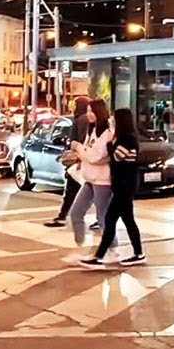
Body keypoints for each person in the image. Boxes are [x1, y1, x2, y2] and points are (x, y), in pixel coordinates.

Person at [80, 108, 145, 268]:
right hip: (122, 186)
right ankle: (138, 253)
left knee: (110, 220)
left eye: (114, 119)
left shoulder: (128, 139)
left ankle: (99, 256)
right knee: (128, 220)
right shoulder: (123, 138)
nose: (112, 121)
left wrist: (109, 143)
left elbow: (116, 157)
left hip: (124, 186)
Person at [68, 99, 114, 253]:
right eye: (87, 111)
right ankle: (80, 247)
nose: (88, 114)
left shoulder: (107, 133)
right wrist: (80, 154)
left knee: (103, 218)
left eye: (92, 111)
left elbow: (96, 157)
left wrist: (78, 148)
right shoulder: (92, 130)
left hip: (102, 181)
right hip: (89, 179)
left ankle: (113, 250)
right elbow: (91, 155)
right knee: (76, 213)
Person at [45, 96, 91, 228]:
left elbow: (80, 140)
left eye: (75, 105)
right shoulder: (83, 119)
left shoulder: (81, 120)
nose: (73, 108)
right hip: (82, 160)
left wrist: (78, 156)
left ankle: (63, 216)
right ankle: (64, 216)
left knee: (74, 190)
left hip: (80, 160)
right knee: (81, 191)